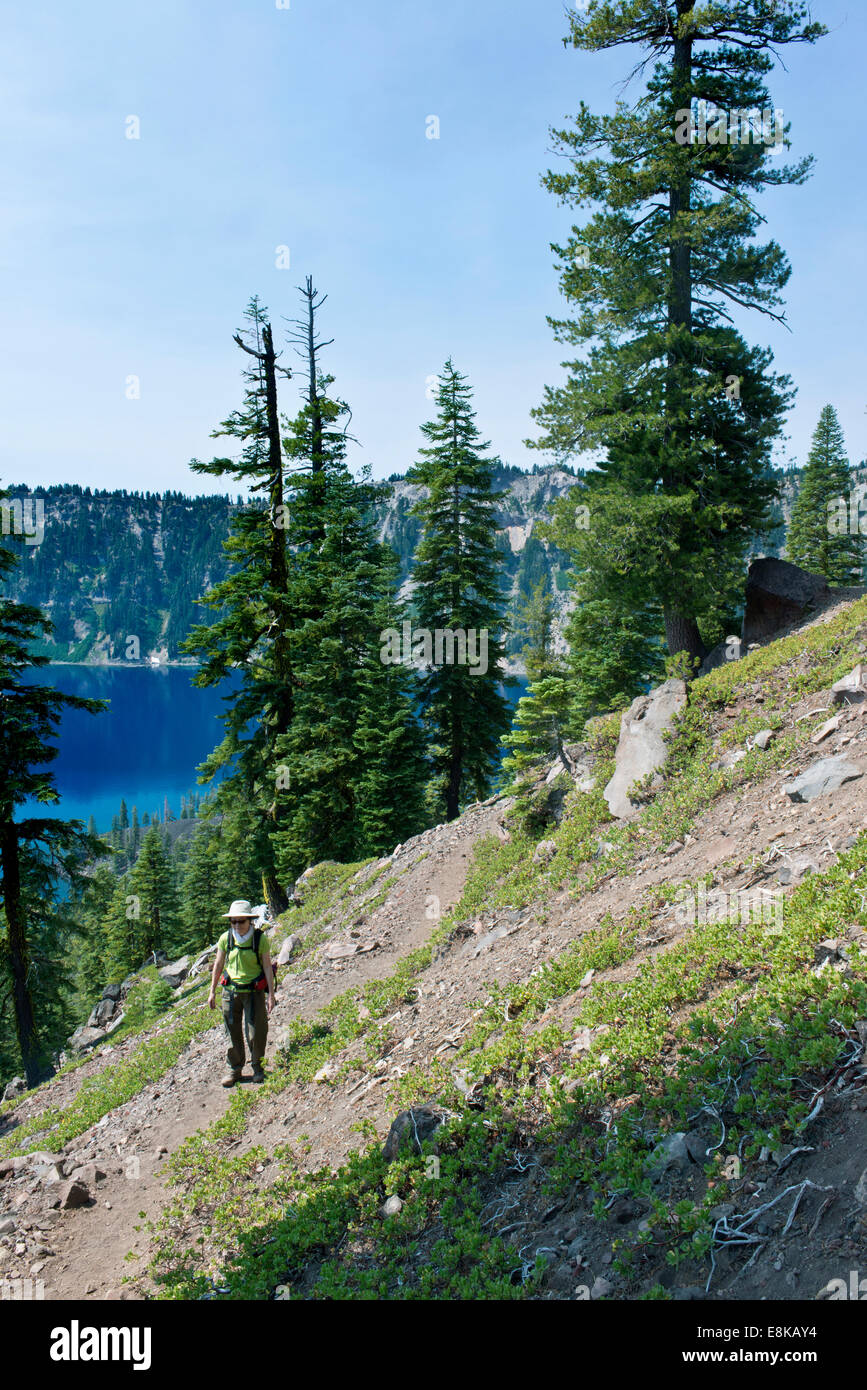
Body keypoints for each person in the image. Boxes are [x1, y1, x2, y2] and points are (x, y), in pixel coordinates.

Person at [208, 899, 276, 1087]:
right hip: (230, 992)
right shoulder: (225, 939)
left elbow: (267, 967)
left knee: (256, 1032)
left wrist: (271, 995)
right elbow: (219, 965)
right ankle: (235, 1069)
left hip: (254, 993)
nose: (237, 925)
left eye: (241, 921)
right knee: (232, 1032)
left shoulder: (259, 939)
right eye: (233, 921)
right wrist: (212, 991)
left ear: (250, 921)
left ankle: (257, 1068)